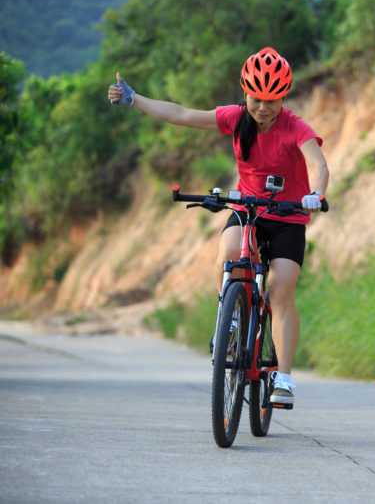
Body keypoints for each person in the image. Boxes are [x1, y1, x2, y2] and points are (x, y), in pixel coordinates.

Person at [108, 47, 329, 408]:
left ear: (283, 97)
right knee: (228, 252)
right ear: (246, 93)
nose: (263, 107)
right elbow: (181, 114)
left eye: (272, 101)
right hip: (249, 207)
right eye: (256, 98)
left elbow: (319, 164)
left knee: (281, 287)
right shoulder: (234, 118)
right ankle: (228, 321)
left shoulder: (295, 127)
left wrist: (316, 195)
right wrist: (135, 100)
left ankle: (284, 378)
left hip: (288, 216)